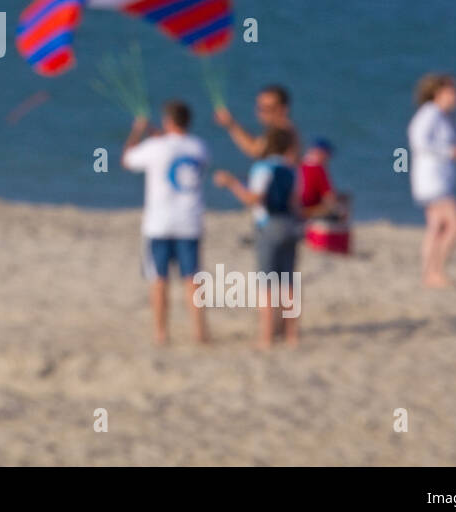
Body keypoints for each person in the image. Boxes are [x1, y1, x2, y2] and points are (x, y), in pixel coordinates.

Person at [121, 100, 210, 345]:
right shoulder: (200, 147)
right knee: (192, 279)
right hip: (190, 222)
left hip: (159, 224)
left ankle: (161, 334)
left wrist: (138, 130)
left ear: (167, 121)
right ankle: (199, 332)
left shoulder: (155, 146)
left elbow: (127, 160)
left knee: (159, 279)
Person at [213, 127, 302, 348]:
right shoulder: (292, 170)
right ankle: (292, 334)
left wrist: (232, 183)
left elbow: (254, 198)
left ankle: (267, 335)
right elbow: (295, 202)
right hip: (290, 224)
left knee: (267, 283)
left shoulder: (263, 168)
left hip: (269, 226)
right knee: (289, 282)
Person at [408, 73, 456, 288]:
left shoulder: (446, 116)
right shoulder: (429, 113)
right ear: (438, 93)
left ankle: (430, 274)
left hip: (442, 178)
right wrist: (446, 152)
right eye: (452, 91)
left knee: (436, 227)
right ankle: (436, 271)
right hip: (431, 179)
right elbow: (418, 141)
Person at [215, 84, 300, 161]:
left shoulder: (280, 133)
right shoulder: (289, 130)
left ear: (283, 109)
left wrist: (231, 124)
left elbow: (255, 150)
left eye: (267, 108)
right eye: (260, 108)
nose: (261, 113)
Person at [300, 138, 352, 254]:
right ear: (321, 153)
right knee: (344, 203)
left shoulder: (299, 165)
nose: (329, 158)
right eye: (328, 154)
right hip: (308, 211)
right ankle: (339, 244)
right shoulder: (317, 169)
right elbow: (330, 197)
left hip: (296, 208)